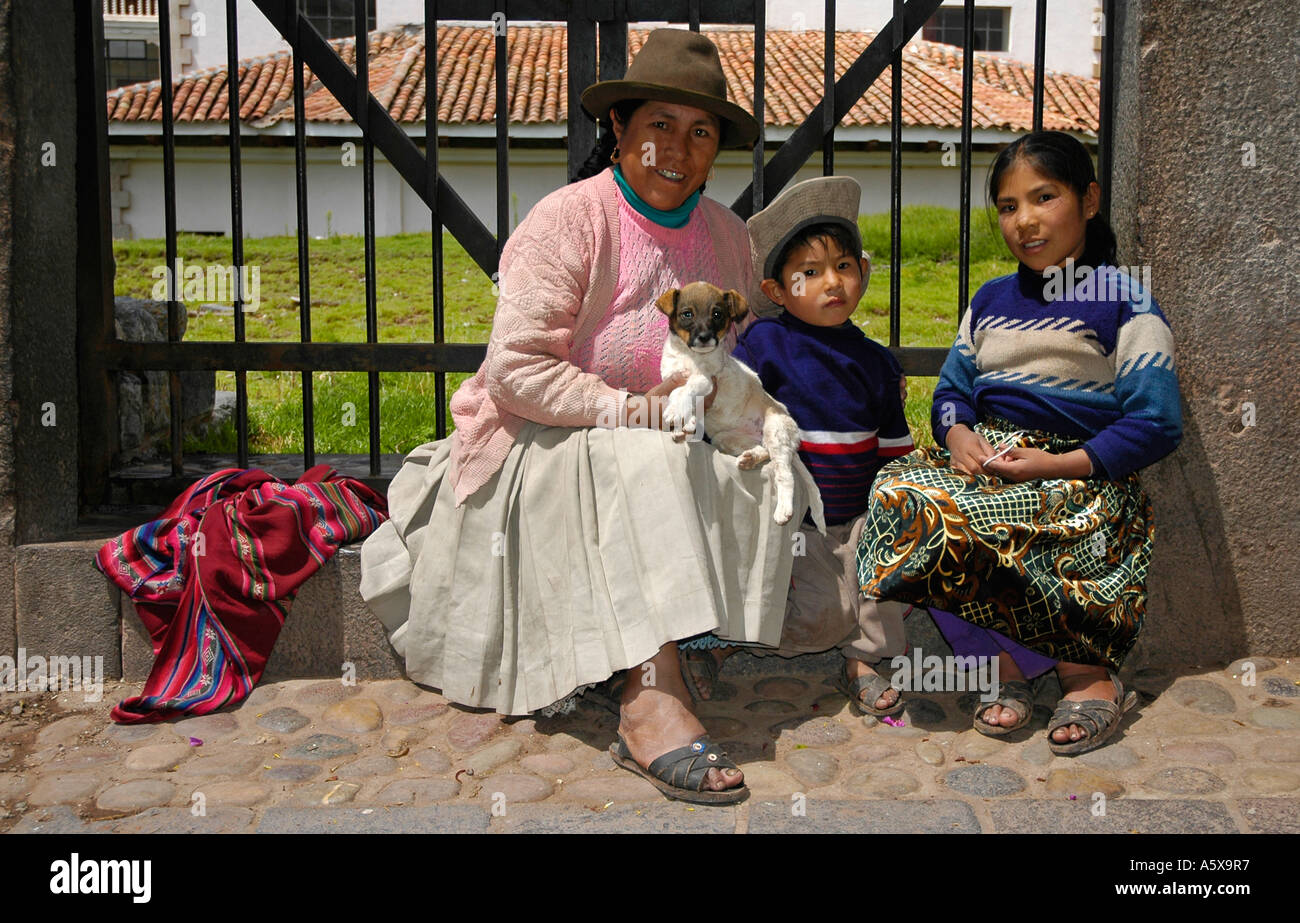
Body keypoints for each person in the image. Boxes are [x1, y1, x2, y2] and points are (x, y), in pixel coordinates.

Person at [359, 29, 816, 804]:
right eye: (660, 125)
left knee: (772, 458)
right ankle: (650, 693)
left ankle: (685, 626)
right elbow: (516, 371)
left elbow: (729, 359)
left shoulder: (729, 239)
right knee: (644, 457)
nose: (679, 147)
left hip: (665, 437)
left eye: (701, 132)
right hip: (539, 443)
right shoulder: (569, 220)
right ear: (620, 129)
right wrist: (632, 410)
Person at [856, 130, 1182, 755]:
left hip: (1079, 476)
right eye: (1009, 207)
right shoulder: (988, 301)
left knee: (998, 516)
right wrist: (955, 433)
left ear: (1088, 200)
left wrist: (1057, 463)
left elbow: (1156, 421)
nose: (1025, 221)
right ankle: (1003, 666)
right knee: (904, 495)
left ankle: (1087, 677)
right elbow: (953, 389)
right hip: (994, 465)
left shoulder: (1125, 302)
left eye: (1044, 197)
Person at [679, 176, 915, 716]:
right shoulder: (766, 344)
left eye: (844, 267)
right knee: (822, 614)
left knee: (886, 586)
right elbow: (735, 409)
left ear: (863, 273)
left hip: (861, 513)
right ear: (777, 292)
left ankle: (864, 660)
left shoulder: (876, 362)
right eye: (809, 274)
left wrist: (899, 506)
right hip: (795, 519)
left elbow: (894, 448)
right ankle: (727, 638)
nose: (832, 283)